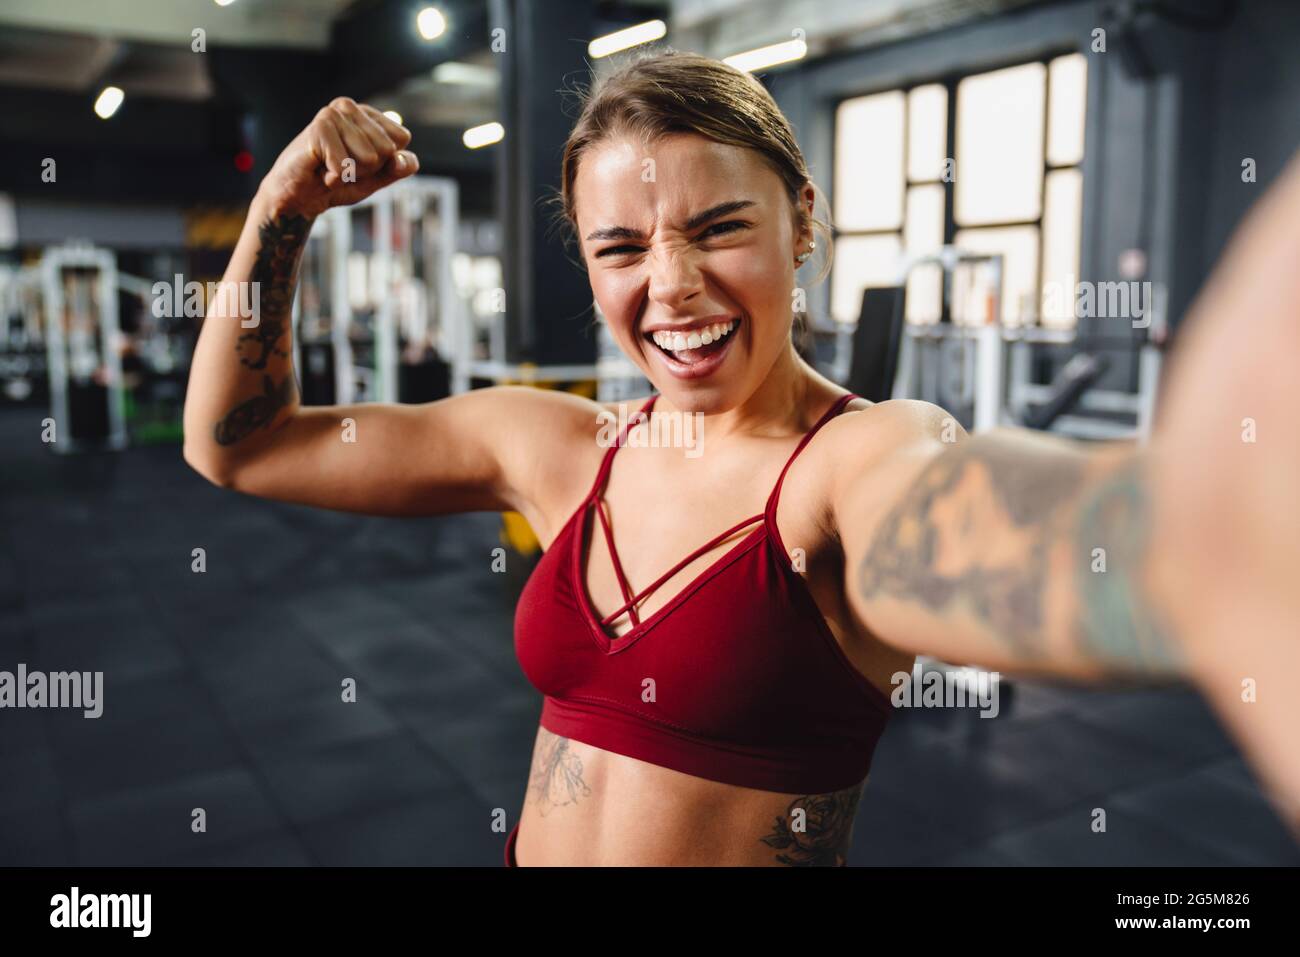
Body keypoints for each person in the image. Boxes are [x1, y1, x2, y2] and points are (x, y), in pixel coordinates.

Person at [183, 51, 1300, 866]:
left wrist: (1219, 536)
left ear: (800, 220)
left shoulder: (853, 466)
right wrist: (282, 209)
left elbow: (1060, 543)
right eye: (620, 248)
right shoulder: (557, 448)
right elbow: (243, 445)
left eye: (717, 229)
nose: (669, 286)